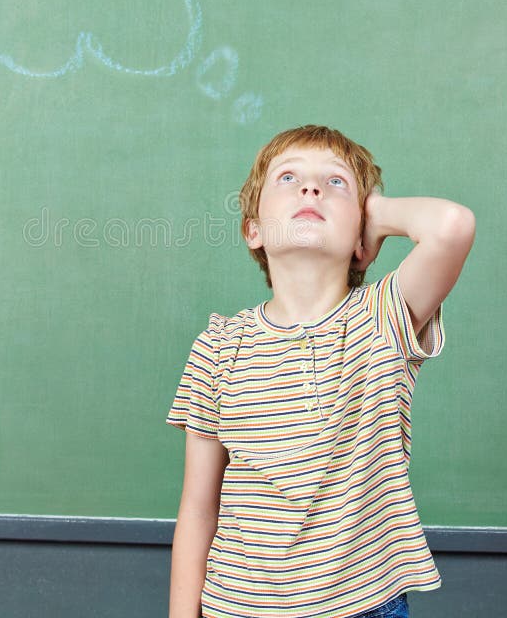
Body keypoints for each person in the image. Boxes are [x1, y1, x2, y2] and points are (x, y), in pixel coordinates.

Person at [166, 125, 476, 618]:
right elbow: (198, 508)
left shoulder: (383, 318)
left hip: (362, 607)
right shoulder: (220, 346)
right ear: (254, 229)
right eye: (288, 178)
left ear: (361, 234)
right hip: (236, 607)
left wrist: (373, 217)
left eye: (336, 184)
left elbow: (452, 226)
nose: (310, 188)